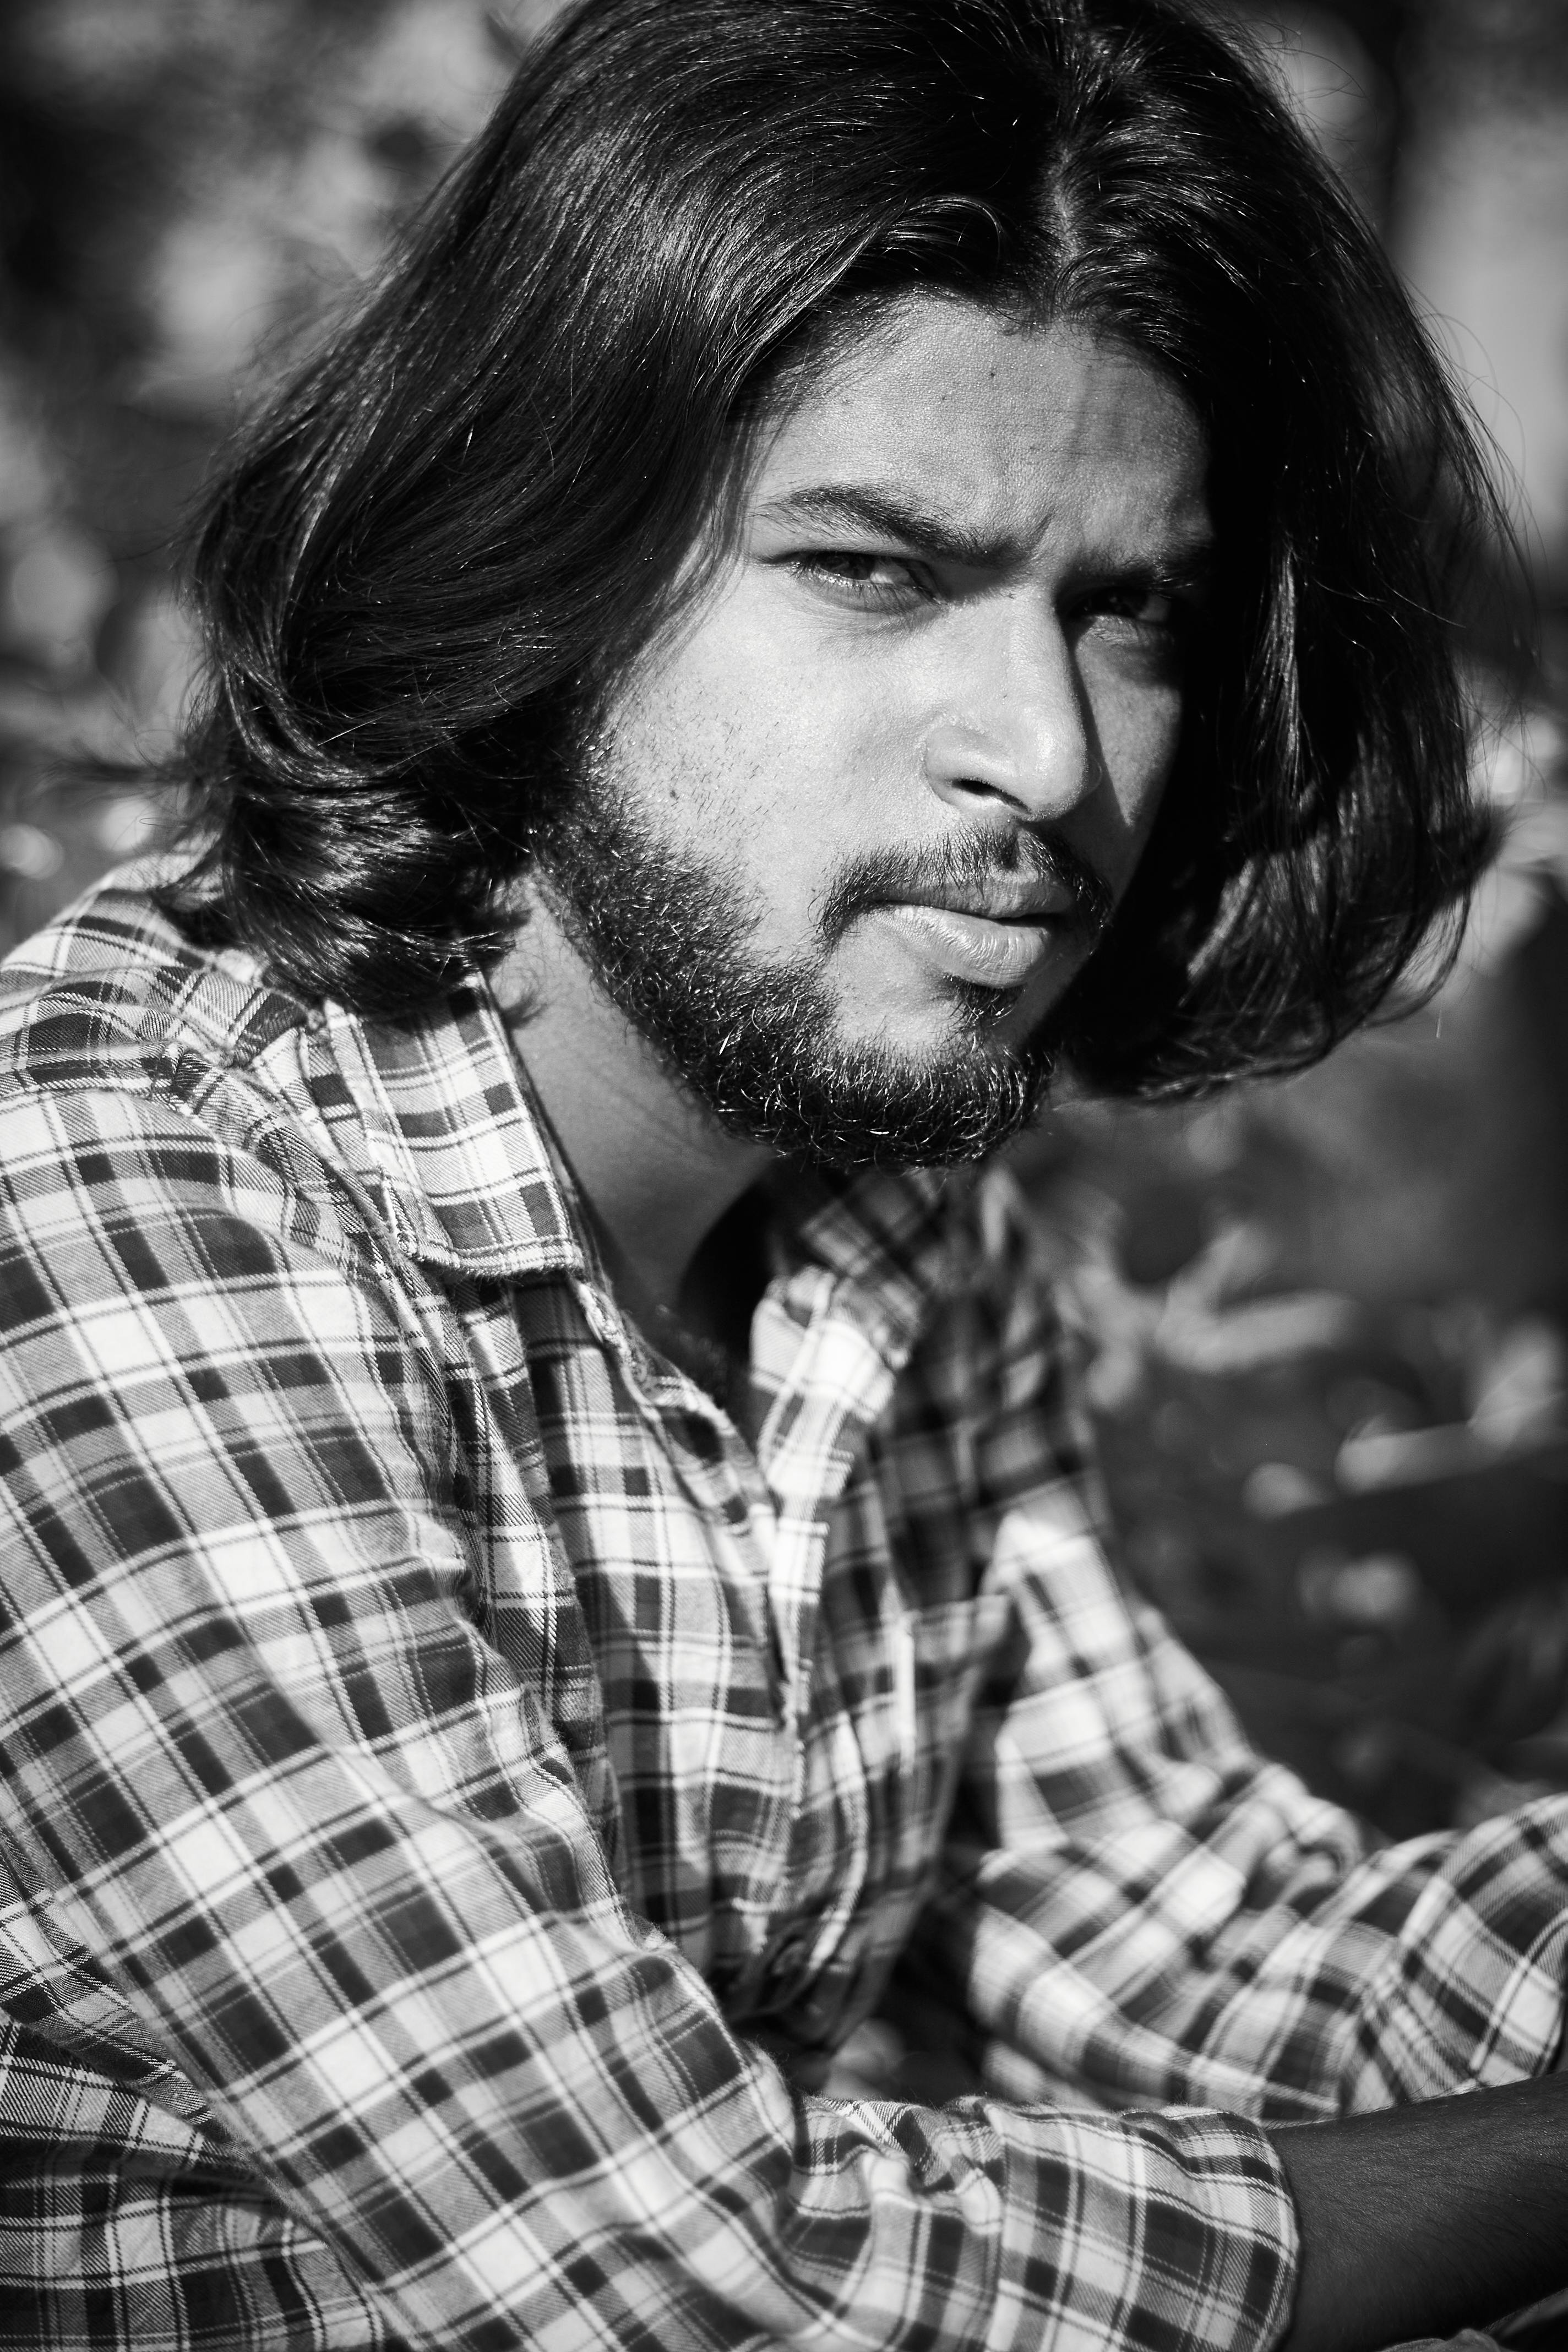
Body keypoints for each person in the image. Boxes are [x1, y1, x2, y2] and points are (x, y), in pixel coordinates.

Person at [1, 1, 1565, 2346]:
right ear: (546, 553)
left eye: (1122, 608)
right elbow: (683, 2283)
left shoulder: (876, 1220)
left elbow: (1190, 1946)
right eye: (871, 570)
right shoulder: (113, 1194)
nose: (1039, 755)